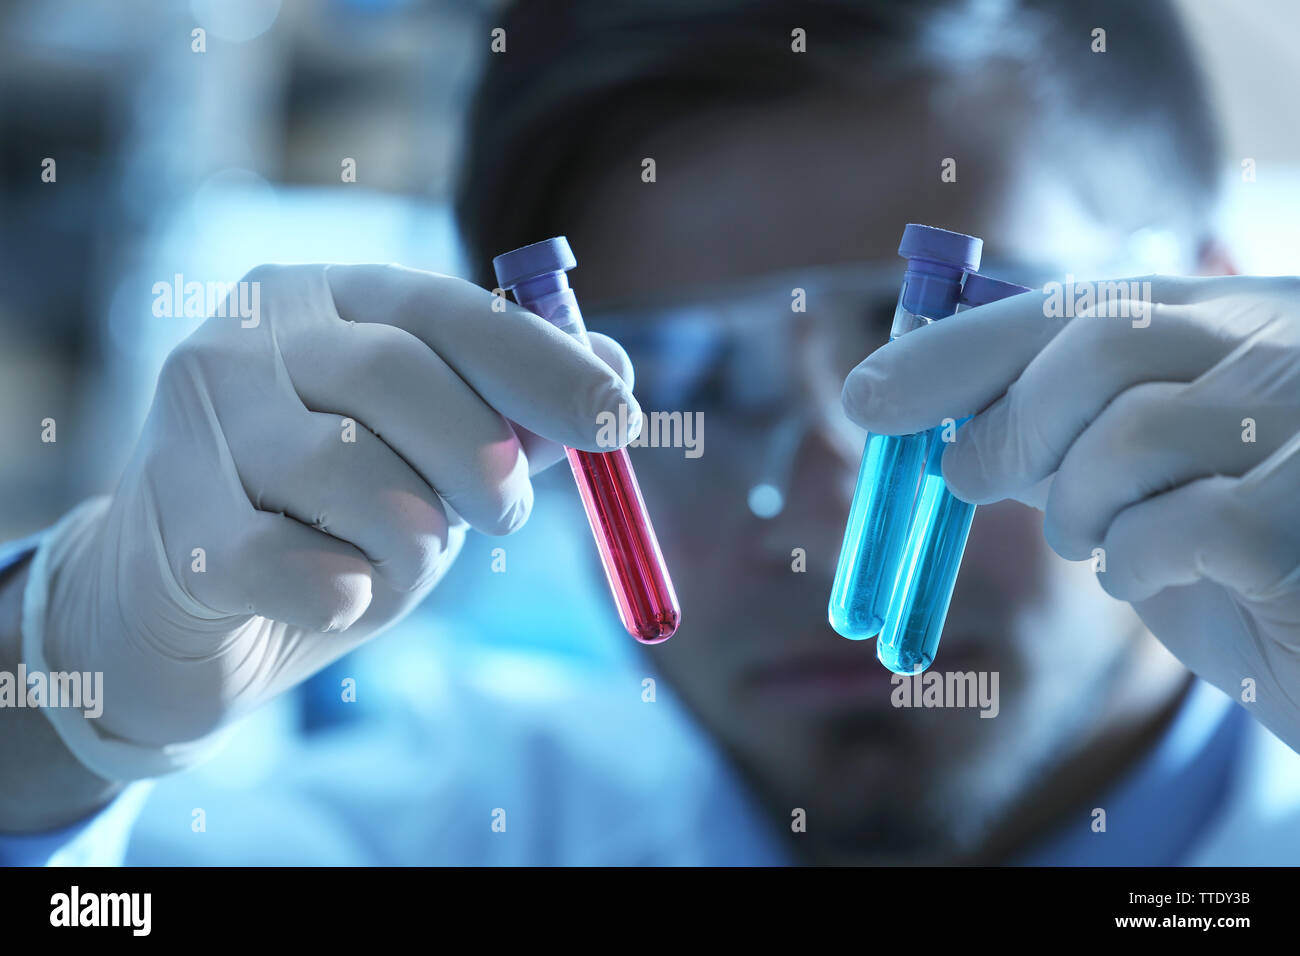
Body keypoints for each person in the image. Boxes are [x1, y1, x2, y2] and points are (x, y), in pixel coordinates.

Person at [2, 0, 1298, 865]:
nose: (818, 514)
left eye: (958, 342)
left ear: (1206, 281)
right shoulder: (453, 833)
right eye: (672, 382)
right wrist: (57, 693)